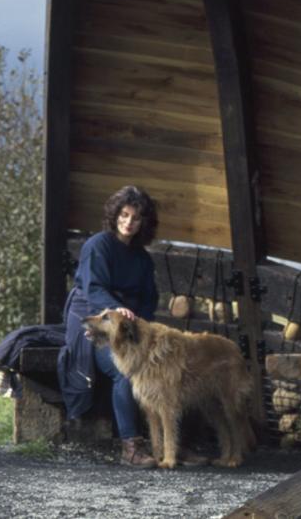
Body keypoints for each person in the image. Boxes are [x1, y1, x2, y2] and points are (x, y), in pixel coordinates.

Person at [57, 185, 179, 468]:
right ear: (115, 216)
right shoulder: (98, 245)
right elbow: (94, 289)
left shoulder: (142, 257)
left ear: (144, 222)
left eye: (136, 218)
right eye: (124, 215)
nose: (129, 222)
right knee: (125, 371)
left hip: (127, 327)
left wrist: (139, 326)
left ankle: (169, 445)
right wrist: (117, 309)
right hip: (93, 320)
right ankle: (131, 446)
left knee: (163, 367)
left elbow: (149, 299)